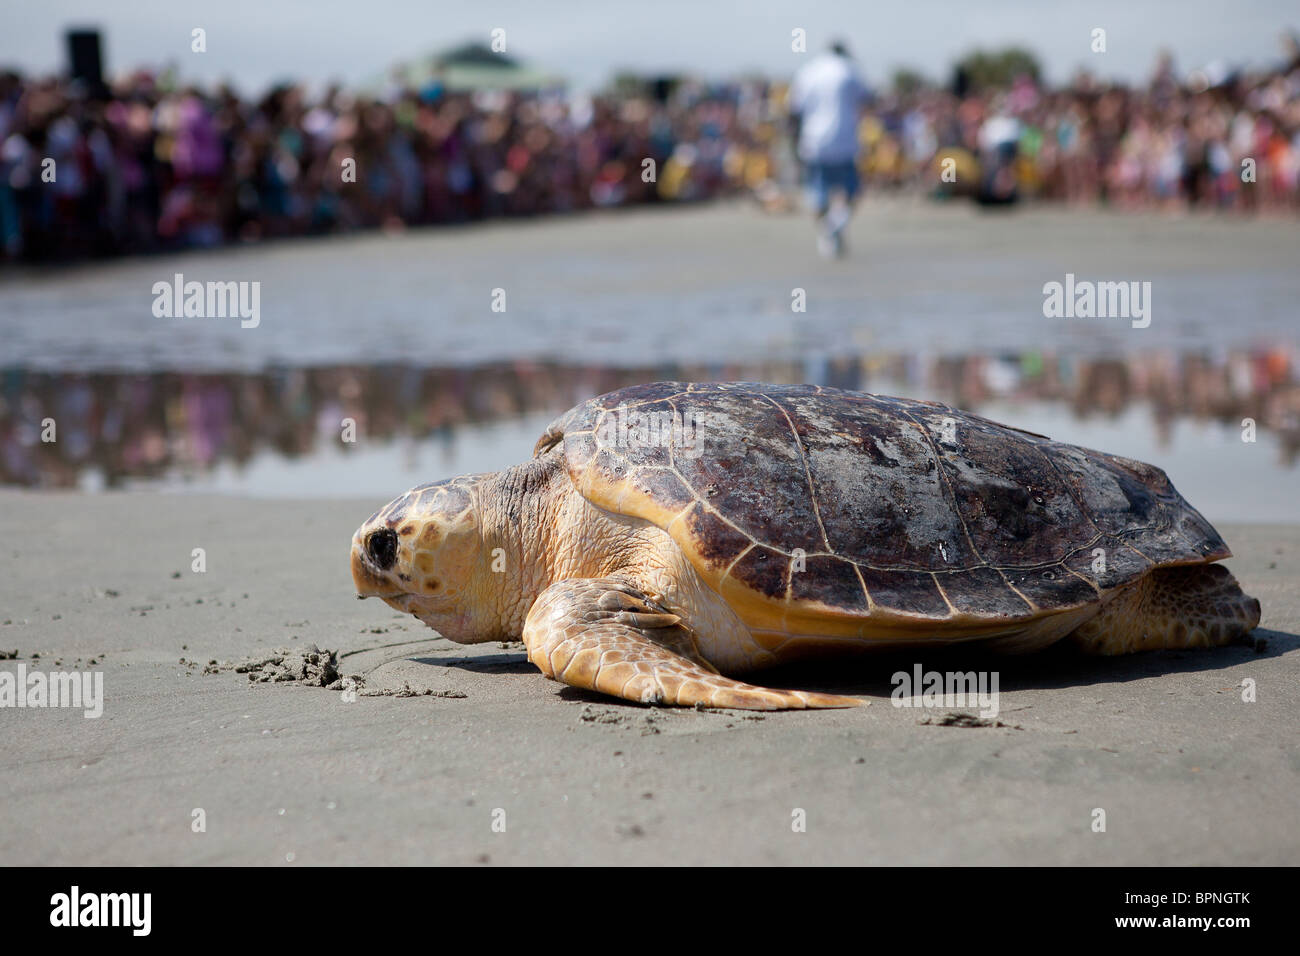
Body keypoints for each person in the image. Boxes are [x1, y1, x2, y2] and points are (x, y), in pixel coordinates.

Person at [789, 40, 869, 256]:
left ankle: (827, 233)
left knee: (818, 194)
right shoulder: (849, 69)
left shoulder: (807, 71)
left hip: (813, 141)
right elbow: (866, 100)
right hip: (844, 141)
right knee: (851, 193)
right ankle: (834, 227)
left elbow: (794, 110)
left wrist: (794, 144)